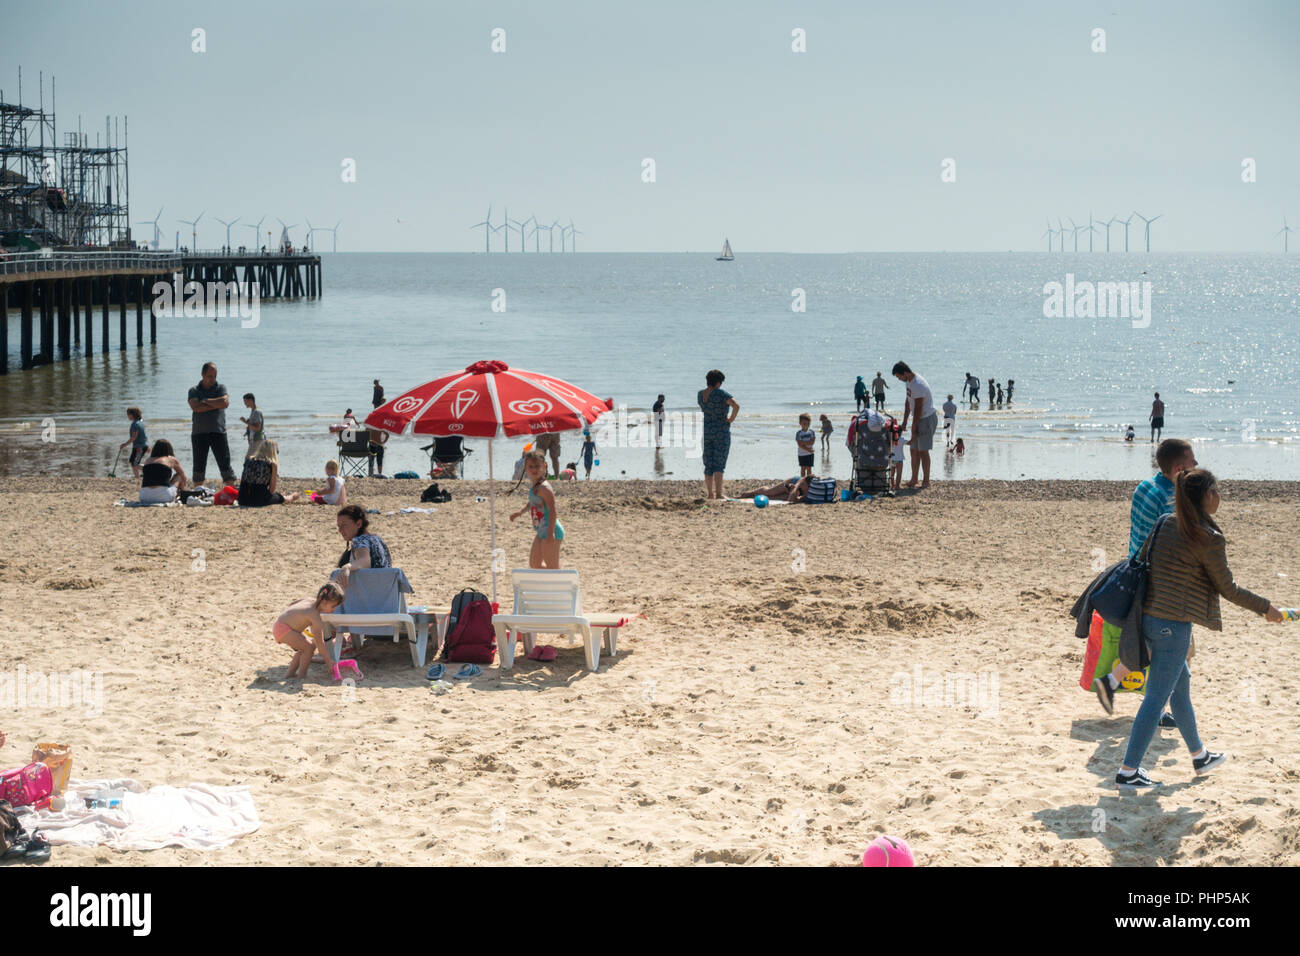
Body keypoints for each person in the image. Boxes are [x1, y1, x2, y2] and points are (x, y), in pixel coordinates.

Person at [1114, 468, 1284, 790]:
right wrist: (1266, 608)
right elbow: (1228, 588)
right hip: (1173, 629)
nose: (1219, 496)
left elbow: (1144, 562)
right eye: (1216, 490)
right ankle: (1128, 771)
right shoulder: (1208, 537)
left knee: (1180, 690)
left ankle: (1200, 755)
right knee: (1154, 700)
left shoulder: (1165, 522)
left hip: (1149, 619)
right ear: (1206, 496)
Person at [1093, 438, 1198, 721]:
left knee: (1167, 647)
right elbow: (1171, 542)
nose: (1196, 465)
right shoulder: (1171, 498)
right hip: (1161, 580)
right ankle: (1124, 689)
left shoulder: (1144, 486)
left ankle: (1134, 694)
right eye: (1192, 461)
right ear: (1178, 468)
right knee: (1180, 648)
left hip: (1137, 570)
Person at [273, 583, 346, 680]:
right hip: (284, 629)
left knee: (304, 648)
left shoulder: (309, 600)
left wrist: (294, 618)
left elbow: (293, 603)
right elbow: (320, 644)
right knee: (308, 648)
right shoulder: (315, 617)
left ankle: (290, 674)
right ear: (324, 602)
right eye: (333, 606)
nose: (335, 609)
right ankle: (302, 676)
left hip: (280, 624)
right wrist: (328, 662)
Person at [510, 451, 563, 569]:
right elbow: (533, 502)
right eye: (530, 467)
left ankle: (557, 585)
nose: (534, 469)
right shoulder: (535, 486)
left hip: (551, 530)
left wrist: (550, 534)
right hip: (541, 530)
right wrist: (520, 512)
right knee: (535, 564)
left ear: (544, 467)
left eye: (537, 466)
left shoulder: (544, 488)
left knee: (553, 567)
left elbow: (553, 511)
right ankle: (548, 582)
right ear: (525, 468)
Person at [188, 362, 237, 486]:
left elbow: (224, 403)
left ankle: (231, 491)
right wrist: (215, 404)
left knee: (225, 465)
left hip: (218, 431)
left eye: (214, 376)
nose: (212, 379)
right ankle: (198, 491)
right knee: (199, 466)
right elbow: (196, 407)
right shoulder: (194, 390)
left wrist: (205, 400)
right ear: (202, 374)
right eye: (210, 376)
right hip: (199, 433)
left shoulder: (221, 388)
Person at [892, 361, 938, 489]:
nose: (899, 379)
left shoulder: (918, 384)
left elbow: (918, 407)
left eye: (899, 376)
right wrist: (905, 420)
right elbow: (908, 401)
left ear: (905, 372)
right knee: (913, 450)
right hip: (918, 417)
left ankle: (926, 481)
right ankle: (914, 479)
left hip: (926, 418)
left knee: (923, 451)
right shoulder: (909, 382)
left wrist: (914, 425)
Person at [698, 369, 739, 500]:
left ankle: (710, 494)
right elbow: (736, 406)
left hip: (707, 430)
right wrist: (731, 419)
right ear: (718, 382)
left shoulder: (700, 394)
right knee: (719, 463)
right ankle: (719, 494)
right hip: (721, 431)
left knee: (708, 463)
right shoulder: (721, 394)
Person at [335, 504, 392, 591]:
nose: (340, 530)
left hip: (367, 594)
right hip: (385, 592)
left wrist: (347, 567)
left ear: (358, 523)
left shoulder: (359, 540)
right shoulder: (378, 539)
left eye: (344, 525)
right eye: (339, 526)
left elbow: (365, 561)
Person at [237, 440, 298, 507]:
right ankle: (291, 497)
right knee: (285, 497)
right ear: (273, 452)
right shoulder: (272, 465)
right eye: (277, 452)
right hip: (258, 500)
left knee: (274, 495)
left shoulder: (248, 460)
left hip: (242, 499)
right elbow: (271, 490)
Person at [139, 439, 190, 504]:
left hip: (144, 496)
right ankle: (182, 495)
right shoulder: (171, 459)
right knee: (179, 475)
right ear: (169, 449)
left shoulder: (148, 460)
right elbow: (184, 477)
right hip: (164, 497)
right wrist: (182, 487)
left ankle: (178, 494)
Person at [119, 406, 148, 479]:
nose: (128, 416)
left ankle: (139, 477)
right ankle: (138, 476)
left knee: (134, 464)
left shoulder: (135, 424)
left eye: (128, 414)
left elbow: (134, 437)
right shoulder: (141, 423)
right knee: (133, 463)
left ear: (132, 415)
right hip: (141, 446)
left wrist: (125, 444)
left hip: (139, 447)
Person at [736, 475, 811, 503]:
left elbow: (792, 500)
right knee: (769, 492)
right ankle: (748, 494)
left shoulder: (811, 491)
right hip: (794, 482)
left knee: (775, 498)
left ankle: (753, 496)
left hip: (797, 490)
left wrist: (794, 493)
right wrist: (794, 487)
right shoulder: (802, 482)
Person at [239, 393, 264, 458]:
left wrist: (245, 422)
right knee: (255, 460)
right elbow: (254, 425)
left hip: (257, 439)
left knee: (248, 459)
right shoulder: (253, 411)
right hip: (255, 439)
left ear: (250, 400)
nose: (244, 403)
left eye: (245, 401)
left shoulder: (256, 412)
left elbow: (257, 428)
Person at [796, 414, 816, 478]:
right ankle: (802, 481)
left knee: (809, 469)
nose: (806, 425)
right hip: (802, 454)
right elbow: (799, 444)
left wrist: (803, 443)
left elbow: (812, 442)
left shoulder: (811, 432)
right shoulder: (799, 433)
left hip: (810, 454)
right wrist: (808, 449)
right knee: (803, 469)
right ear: (800, 423)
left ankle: (809, 482)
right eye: (804, 424)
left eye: (808, 424)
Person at [889, 426, 907, 490]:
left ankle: (892, 485)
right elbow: (910, 443)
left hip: (892, 459)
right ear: (901, 432)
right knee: (899, 474)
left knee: (892, 473)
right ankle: (897, 486)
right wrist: (915, 437)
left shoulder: (891, 440)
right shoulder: (901, 439)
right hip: (899, 460)